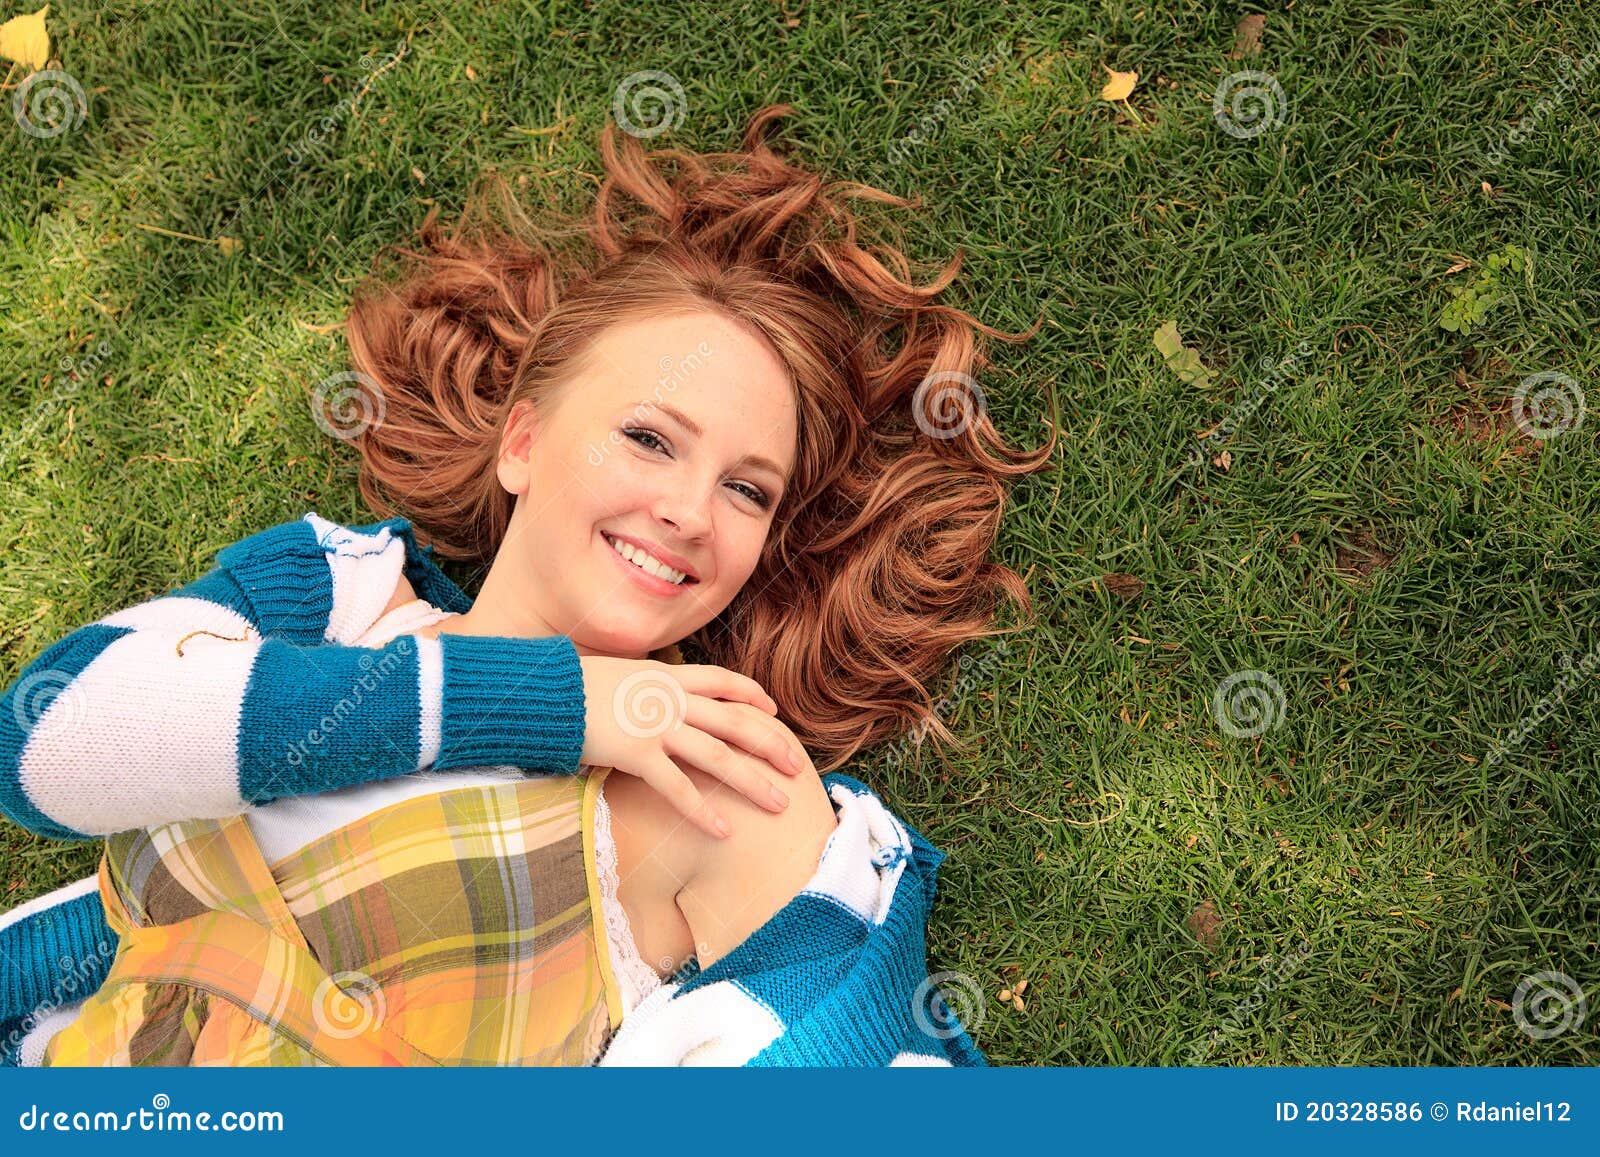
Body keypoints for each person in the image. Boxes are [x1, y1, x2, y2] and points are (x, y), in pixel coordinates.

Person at [0, 104, 1055, 1066]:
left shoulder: (718, 798)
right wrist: (554, 700)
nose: (691, 510)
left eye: (745, 488)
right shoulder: (335, 590)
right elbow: (41, 749)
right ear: (522, 440)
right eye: (648, 436)